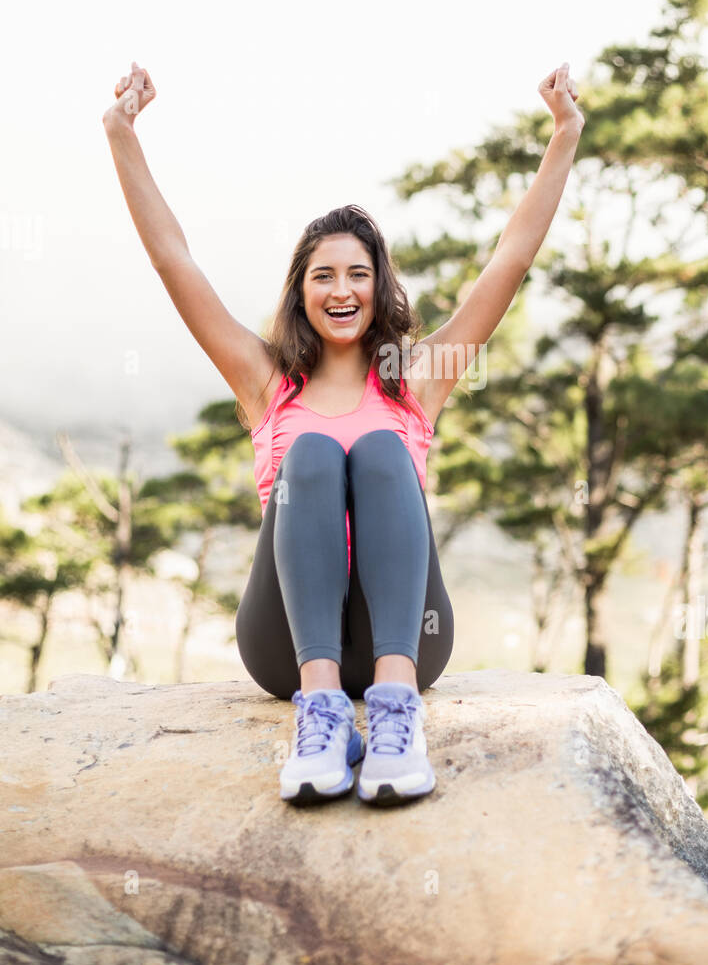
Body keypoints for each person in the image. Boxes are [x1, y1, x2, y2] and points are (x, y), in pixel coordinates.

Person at [102, 59, 585, 808]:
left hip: (409, 639)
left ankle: (395, 717)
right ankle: (321, 719)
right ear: (301, 290)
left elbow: (510, 260)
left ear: (379, 286)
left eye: (357, 274)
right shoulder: (267, 383)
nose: (341, 290)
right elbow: (174, 261)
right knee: (318, 452)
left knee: (382, 449)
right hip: (286, 647)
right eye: (323, 275)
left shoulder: (416, 380)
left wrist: (564, 135)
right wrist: (120, 133)